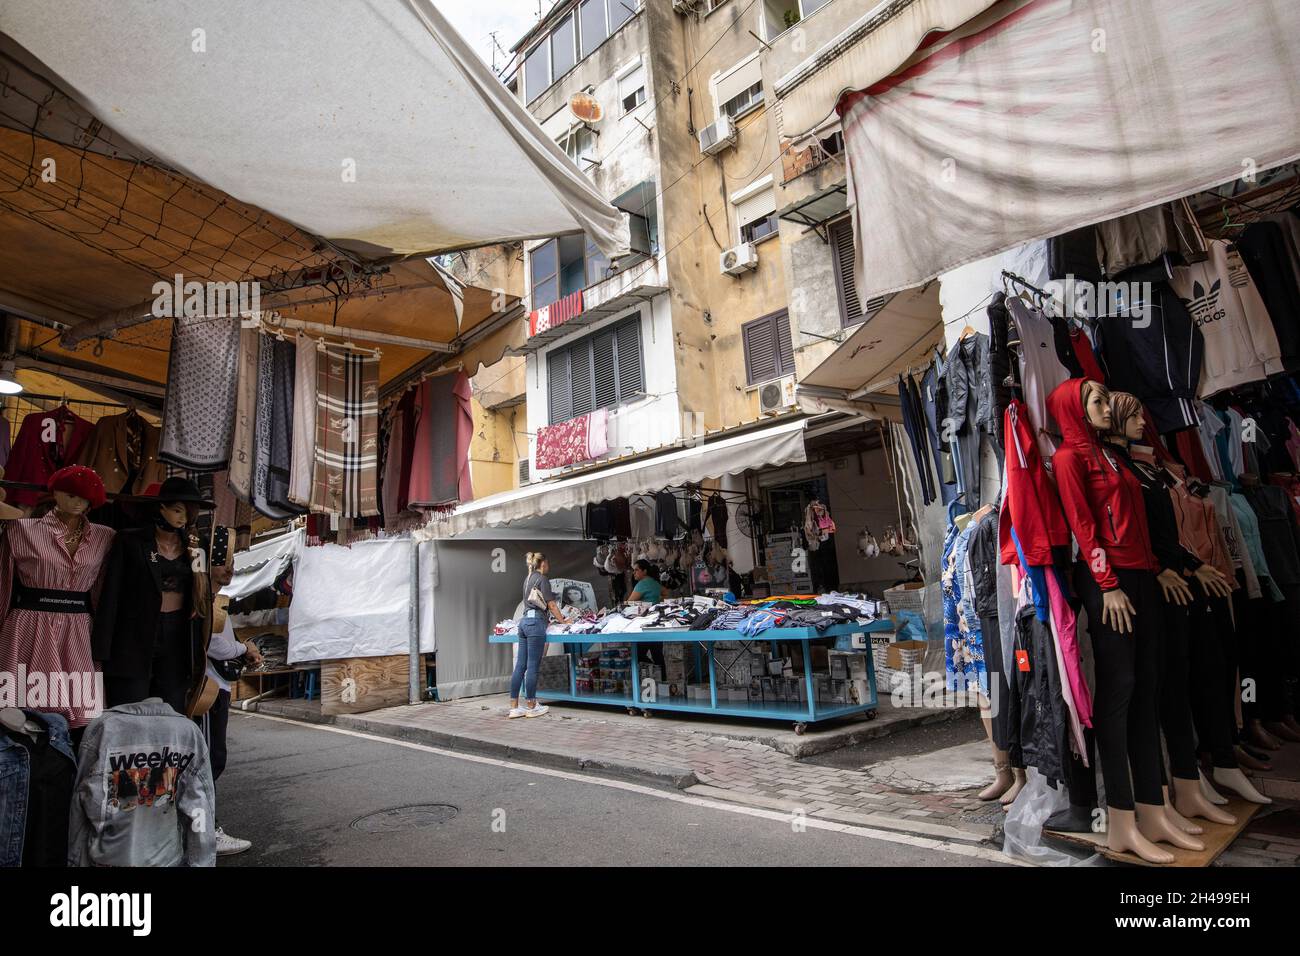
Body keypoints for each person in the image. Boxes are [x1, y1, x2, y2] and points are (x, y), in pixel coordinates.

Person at [93, 477, 213, 713]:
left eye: (189, 512)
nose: (183, 518)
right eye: (177, 510)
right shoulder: (130, 541)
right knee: (129, 705)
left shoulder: (197, 546)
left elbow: (203, 596)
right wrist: (101, 648)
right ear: (161, 507)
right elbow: (111, 593)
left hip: (178, 635)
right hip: (134, 633)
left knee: (172, 707)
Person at [201, 564, 264, 856]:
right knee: (209, 762)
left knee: (213, 760)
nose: (231, 569)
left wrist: (241, 647)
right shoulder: (203, 599)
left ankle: (204, 829)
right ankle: (206, 832)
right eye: (222, 562)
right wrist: (244, 648)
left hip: (216, 689)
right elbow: (214, 644)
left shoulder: (216, 601)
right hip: (206, 691)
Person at [509, 552, 570, 719]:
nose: (548, 566)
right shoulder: (543, 579)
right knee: (533, 667)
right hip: (536, 624)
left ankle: (514, 707)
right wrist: (563, 621)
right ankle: (531, 705)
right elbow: (551, 604)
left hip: (523, 623)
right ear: (543, 564)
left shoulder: (527, 579)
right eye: (547, 563)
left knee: (521, 666)